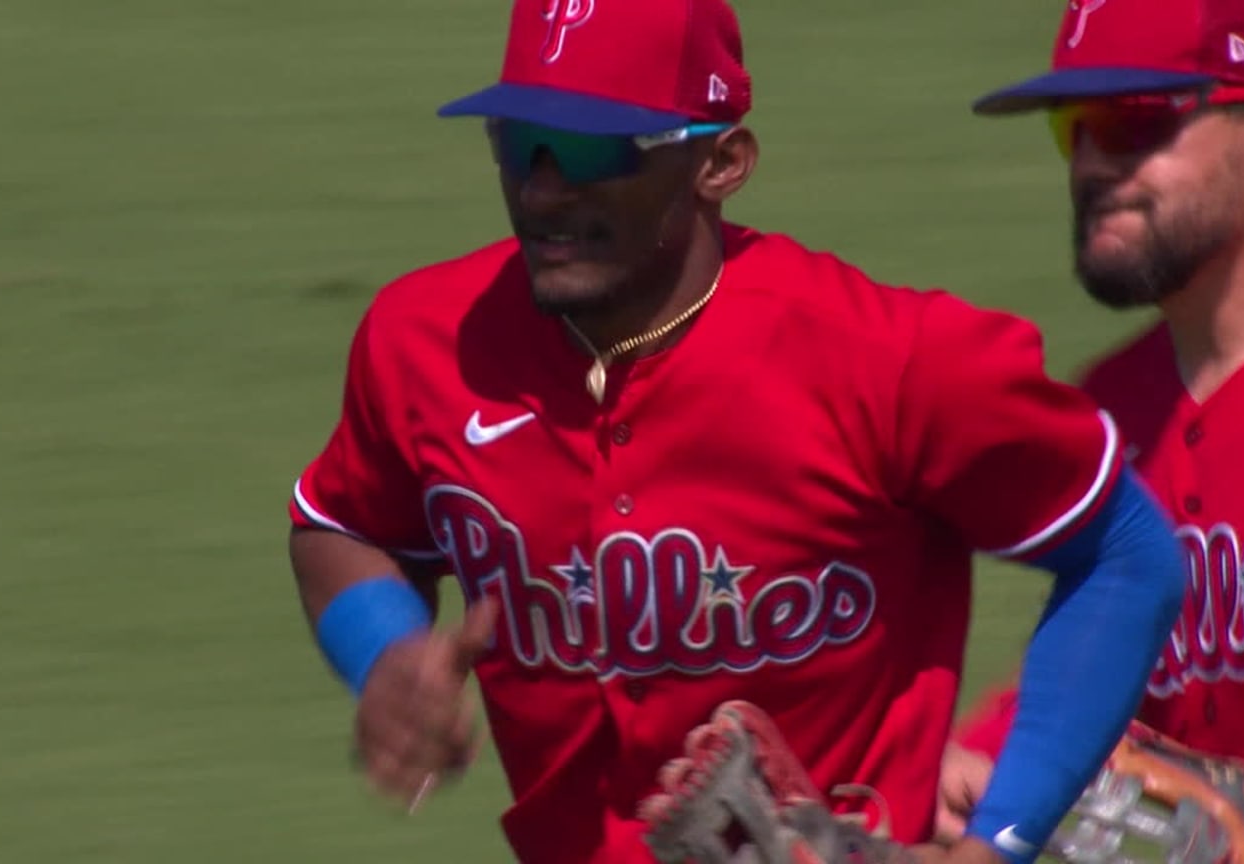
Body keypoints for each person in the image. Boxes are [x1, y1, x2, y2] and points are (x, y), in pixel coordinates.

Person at [286, 1, 1185, 862]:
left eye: (593, 147)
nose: (544, 186)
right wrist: (386, 650)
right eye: (519, 142)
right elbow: (343, 522)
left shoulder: (891, 361)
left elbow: (1125, 554)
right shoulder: (425, 343)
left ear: (721, 162)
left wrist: (998, 844)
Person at [939, 0, 1244, 850]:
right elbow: (1094, 678)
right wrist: (949, 776)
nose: (1090, 164)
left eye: (1131, 121)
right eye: (1072, 129)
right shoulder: (1112, 410)